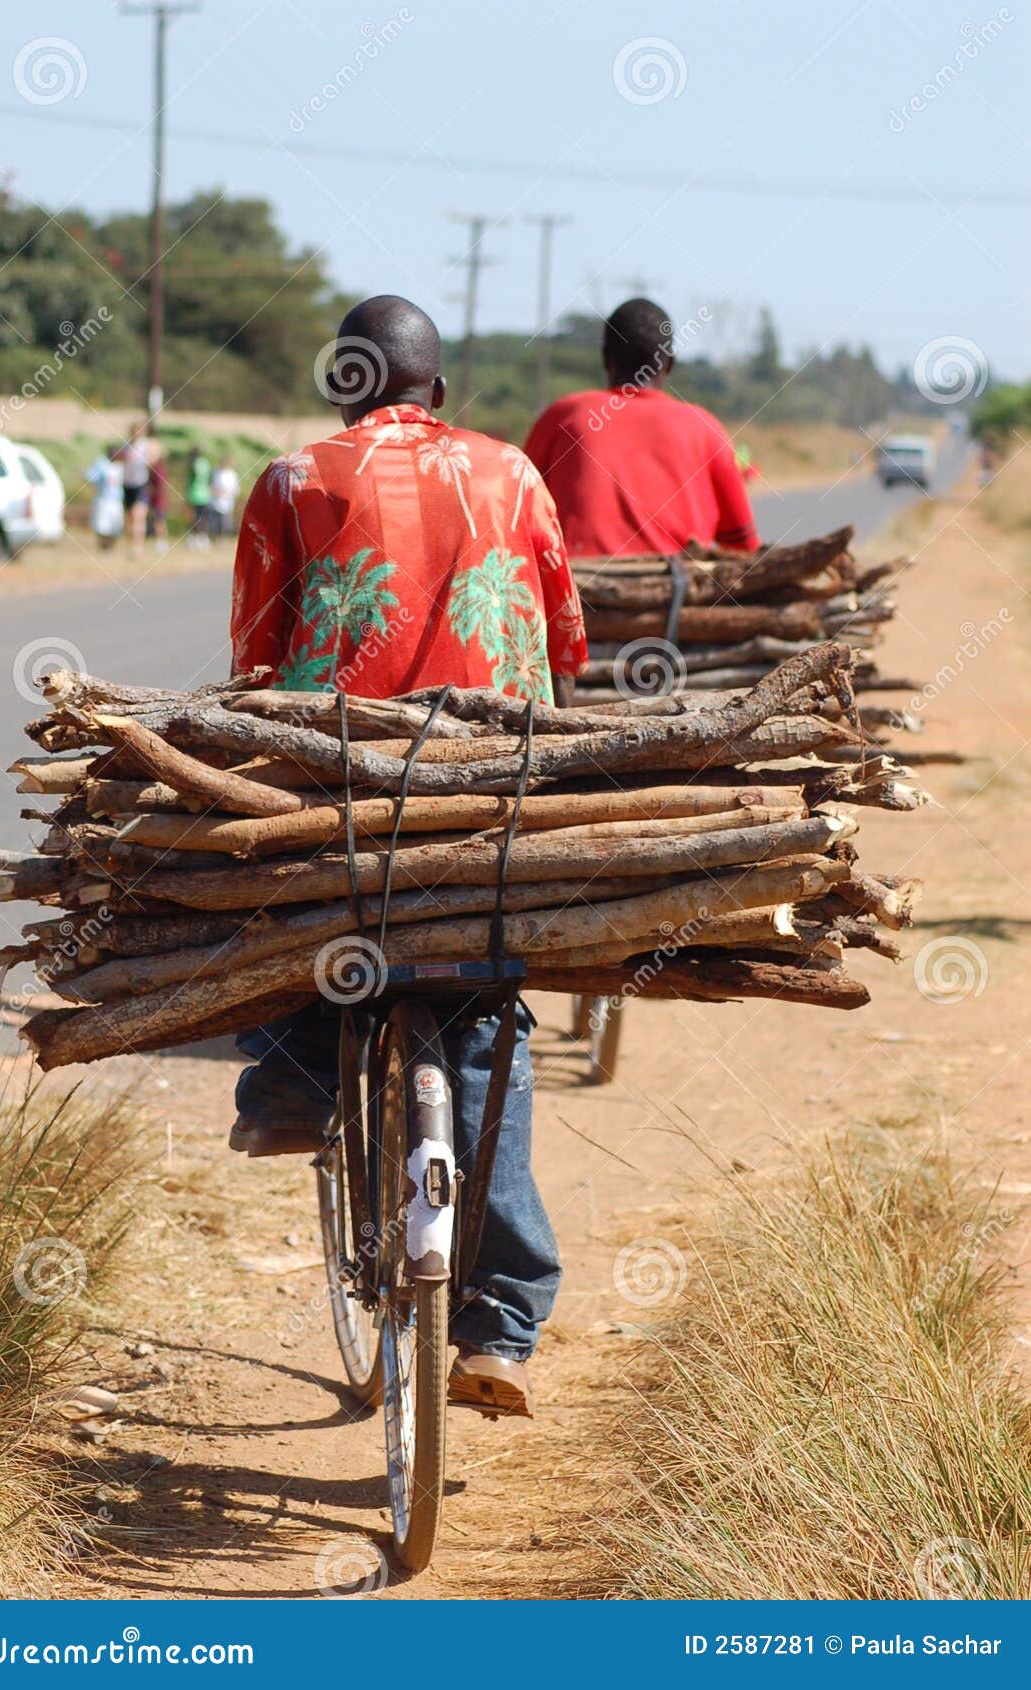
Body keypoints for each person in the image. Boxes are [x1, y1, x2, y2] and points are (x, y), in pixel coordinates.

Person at [230, 295, 588, 1418]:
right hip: (485, 798)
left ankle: (287, 1084)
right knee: (487, 1024)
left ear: (345, 382)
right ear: (439, 389)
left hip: (341, 803)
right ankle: (498, 1326)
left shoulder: (294, 478)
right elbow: (565, 643)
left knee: (279, 915)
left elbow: (251, 666)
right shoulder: (514, 475)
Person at [524, 296, 760, 556]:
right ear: (669, 363)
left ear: (605, 359)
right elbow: (743, 547)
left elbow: (518, 518)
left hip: (579, 588)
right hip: (681, 591)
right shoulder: (705, 428)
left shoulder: (563, 416)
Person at [120, 422, 151, 557]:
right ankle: (131, 545)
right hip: (127, 485)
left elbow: (154, 458)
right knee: (129, 518)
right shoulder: (127, 446)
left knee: (138, 516)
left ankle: (138, 547)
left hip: (141, 485)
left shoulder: (146, 446)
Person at [85, 445, 124, 550]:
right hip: (104, 499)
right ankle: (103, 548)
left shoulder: (120, 466)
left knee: (115, 527)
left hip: (117, 501)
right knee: (102, 526)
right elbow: (90, 477)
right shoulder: (101, 463)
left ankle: (111, 548)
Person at [185, 444, 213, 549]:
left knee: (193, 518)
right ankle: (203, 539)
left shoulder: (194, 463)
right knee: (203, 518)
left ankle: (194, 539)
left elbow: (192, 477)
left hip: (194, 494)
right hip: (205, 494)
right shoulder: (206, 462)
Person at [209, 455, 239, 537]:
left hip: (227, 502)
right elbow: (211, 486)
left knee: (225, 523)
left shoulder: (233, 474)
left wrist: (227, 493)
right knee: (214, 522)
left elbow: (235, 489)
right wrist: (216, 492)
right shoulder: (216, 473)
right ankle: (214, 537)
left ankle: (222, 537)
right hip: (215, 501)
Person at [147, 448, 170, 551]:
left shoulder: (160, 470)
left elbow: (160, 486)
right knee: (159, 520)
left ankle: (161, 541)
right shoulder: (157, 469)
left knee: (159, 521)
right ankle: (161, 540)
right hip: (157, 499)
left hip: (159, 500)